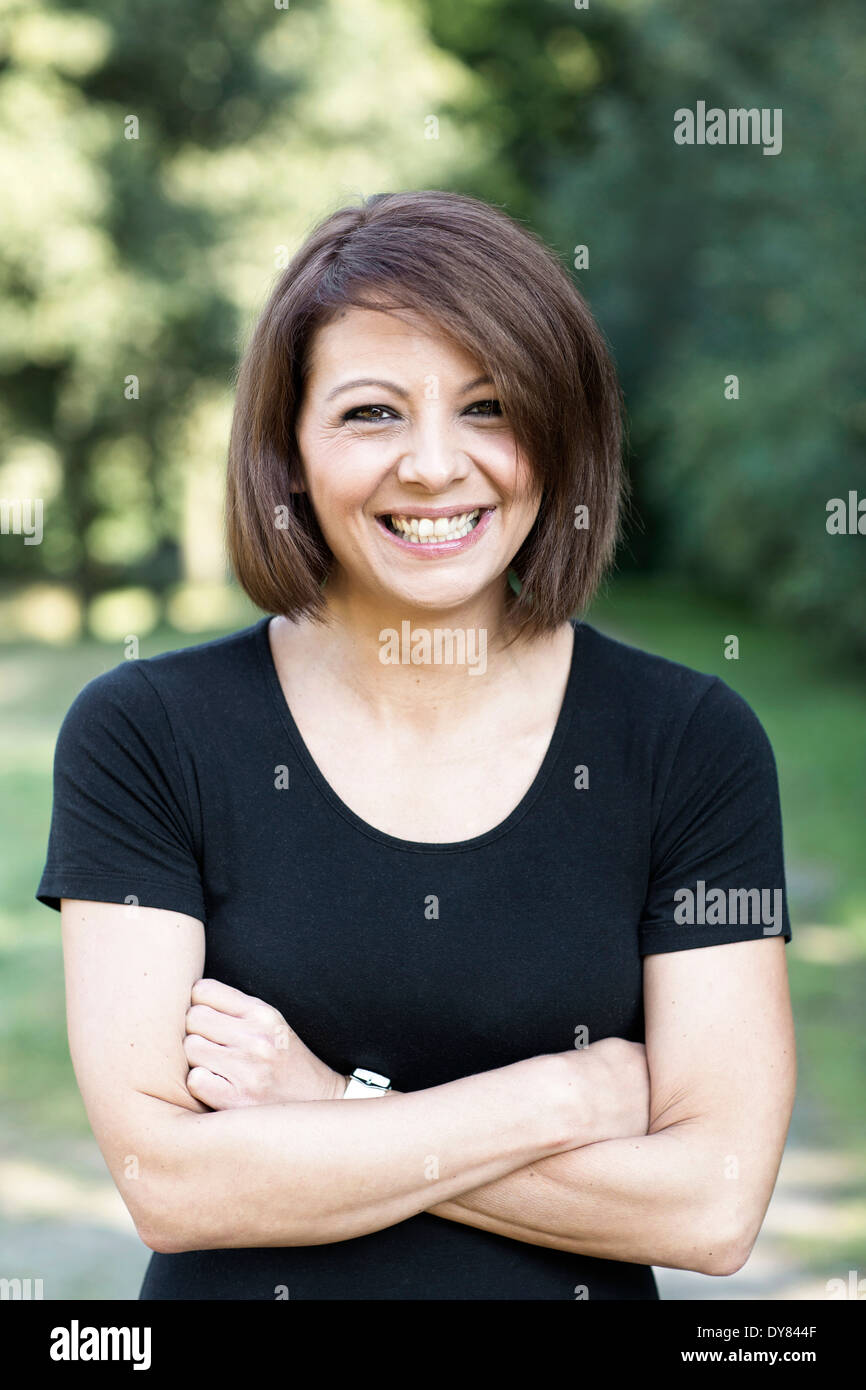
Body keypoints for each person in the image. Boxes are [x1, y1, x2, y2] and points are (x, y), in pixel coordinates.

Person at [36, 189, 796, 1301]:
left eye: (487, 407)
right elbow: (173, 1185)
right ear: (287, 452)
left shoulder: (687, 746)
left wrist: (328, 1105)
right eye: (370, 413)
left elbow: (712, 1204)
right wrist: (559, 1099)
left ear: (556, 431)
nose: (435, 466)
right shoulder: (148, 735)